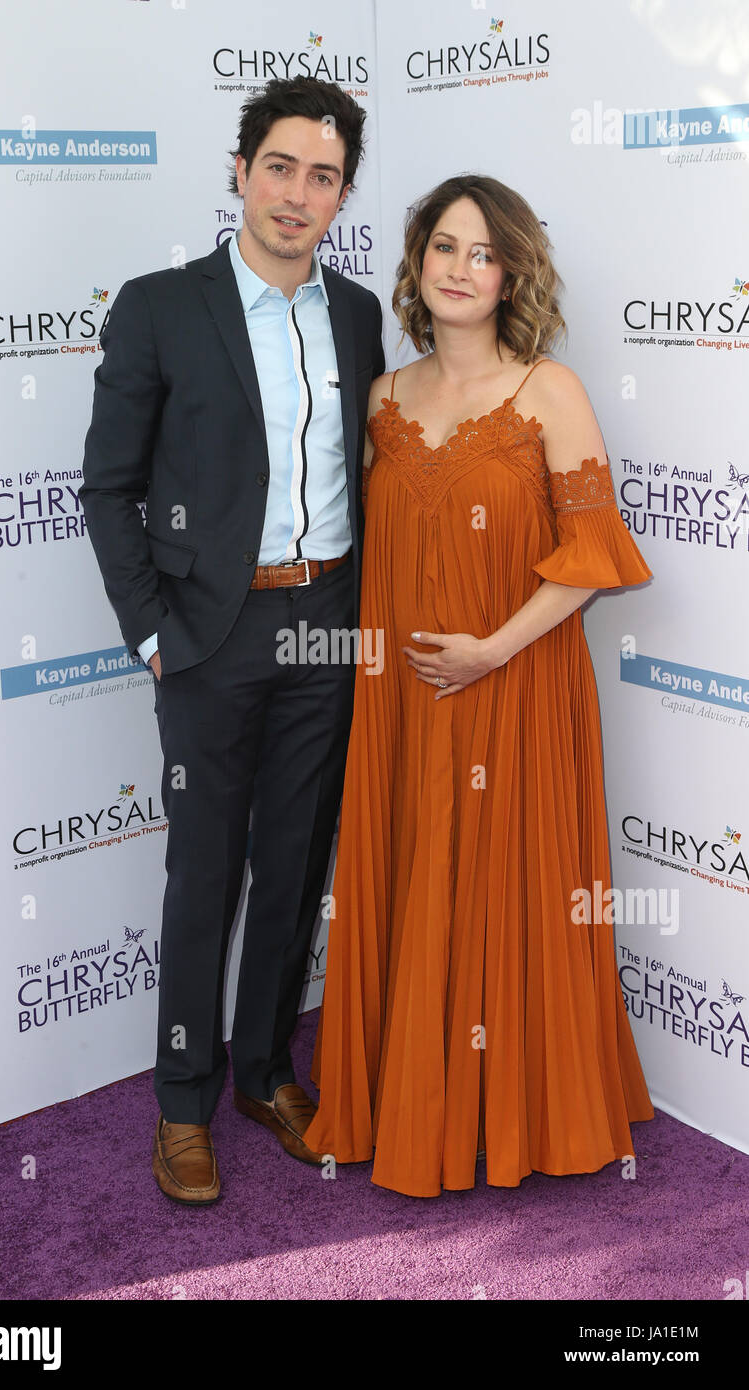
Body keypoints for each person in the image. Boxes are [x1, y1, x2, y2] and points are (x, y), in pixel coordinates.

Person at [303, 174, 655, 1197]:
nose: (459, 269)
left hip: (516, 686)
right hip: (402, 701)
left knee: (514, 891)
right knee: (413, 879)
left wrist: (490, 650)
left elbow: (590, 557)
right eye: (442, 247)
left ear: (511, 274)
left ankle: (521, 1113)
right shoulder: (382, 400)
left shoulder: (548, 390)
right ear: (416, 263)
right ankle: (411, 1105)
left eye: (482, 253)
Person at [79, 77, 384, 1204]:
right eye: (280, 168)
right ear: (241, 171)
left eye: (322, 177)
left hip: (326, 620)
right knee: (203, 871)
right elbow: (107, 488)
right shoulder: (160, 307)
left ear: (342, 195)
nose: (297, 195)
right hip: (210, 632)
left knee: (296, 858)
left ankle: (263, 1071)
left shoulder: (358, 314)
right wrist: (153, 637)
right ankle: (182, 1101)